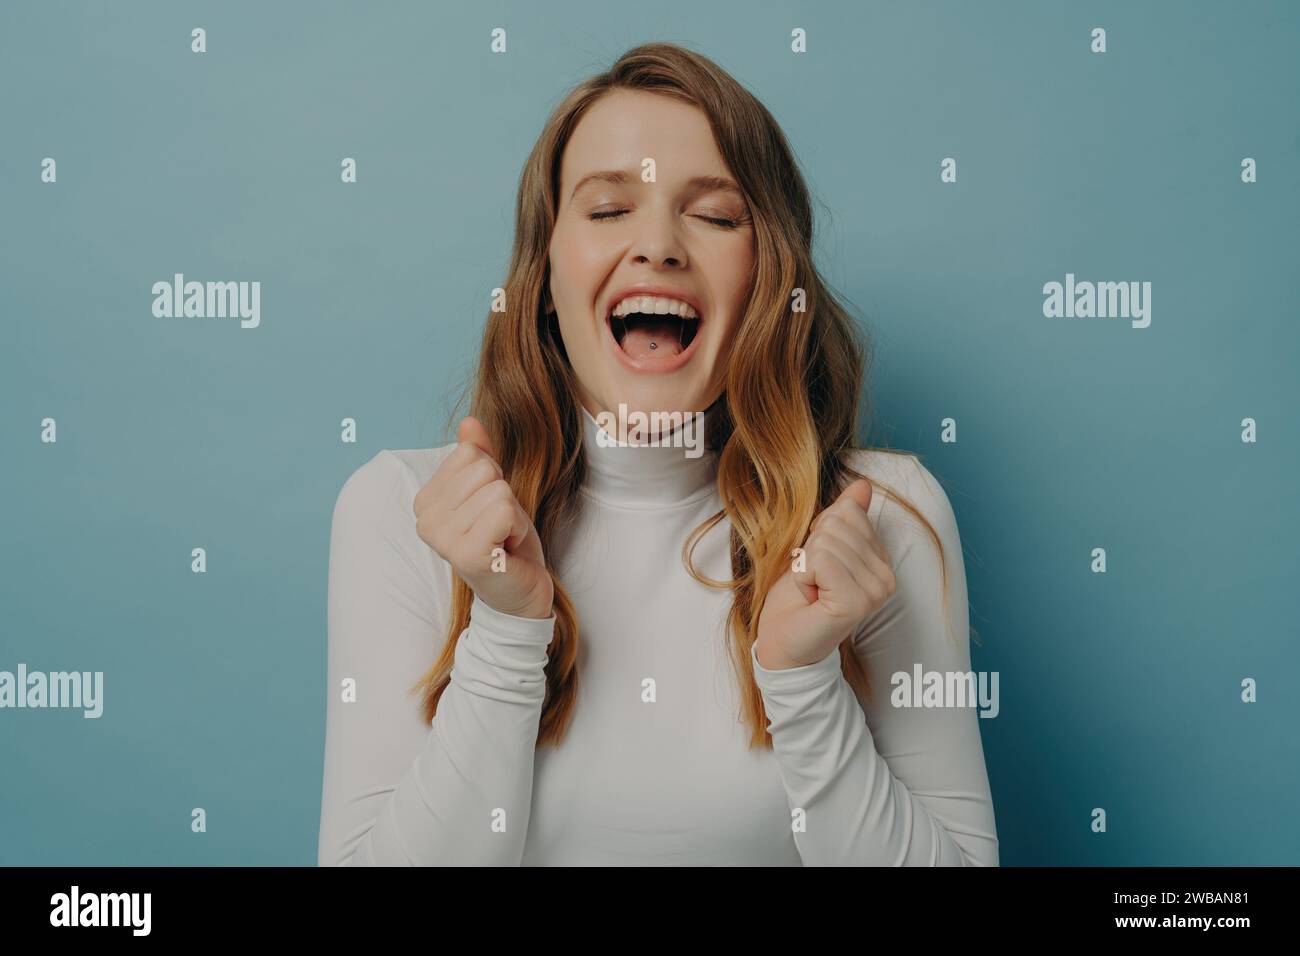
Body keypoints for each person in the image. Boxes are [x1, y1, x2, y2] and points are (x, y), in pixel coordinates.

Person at [317, 42, 998, 866]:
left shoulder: (883, 519)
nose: (660, 246)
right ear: (544, 277)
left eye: (714, 215)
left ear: (768, 278)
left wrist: (805, 680)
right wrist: (504, 625)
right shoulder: (403, 510)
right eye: (608, 210)